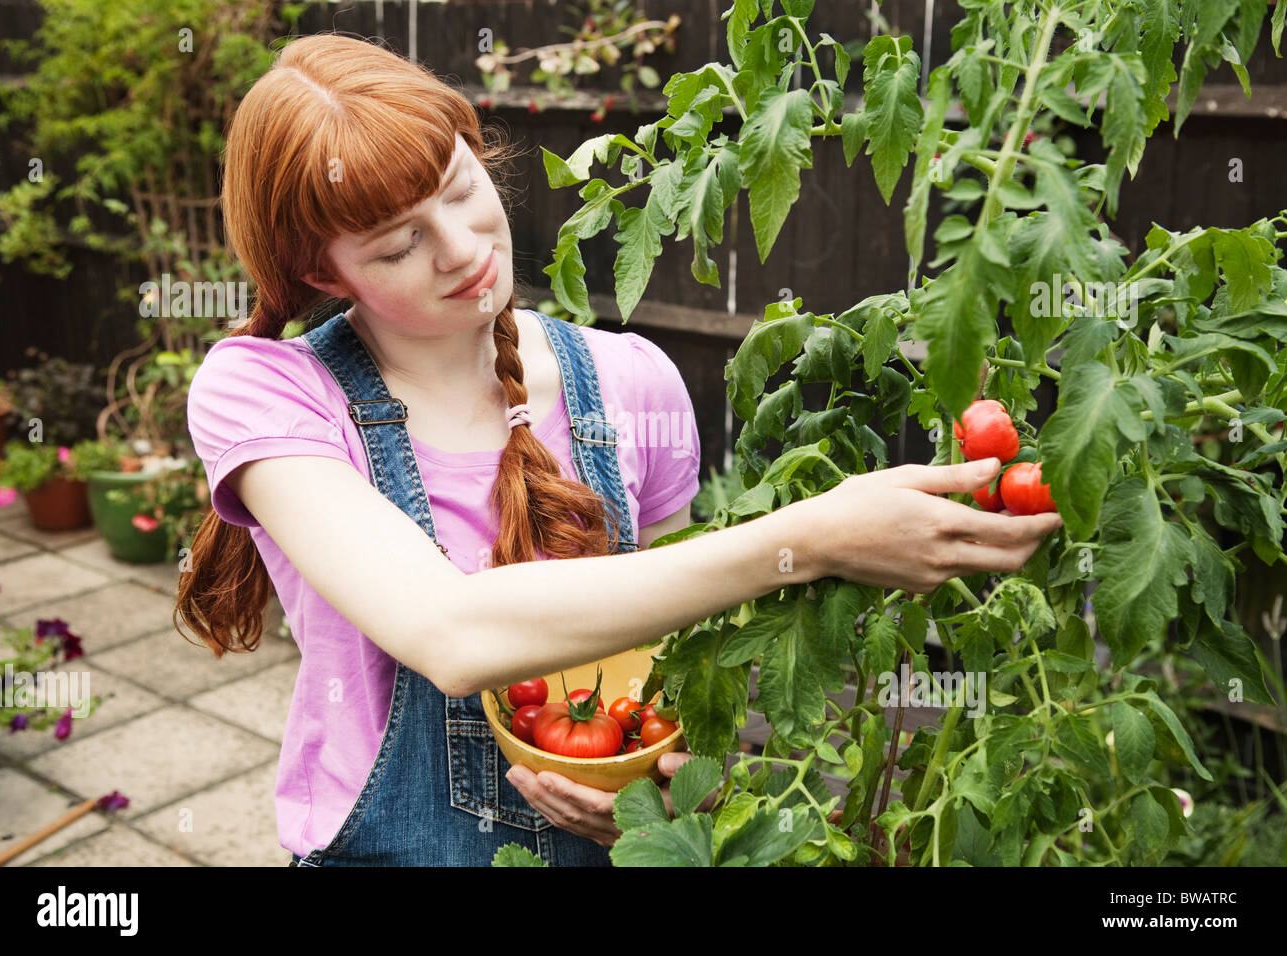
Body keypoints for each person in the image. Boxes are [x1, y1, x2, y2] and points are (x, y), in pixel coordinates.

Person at [175, 33, 1062, 867]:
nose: (462, 249)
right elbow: (447, 632)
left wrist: (660, 779)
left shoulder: (632, 380)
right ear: (324, 275)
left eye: (457, 189)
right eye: (400, 243)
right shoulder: (268, 396)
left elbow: (676, 646)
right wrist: (815, 539)